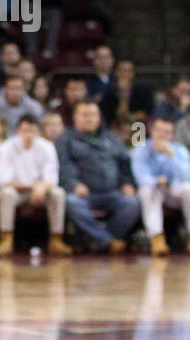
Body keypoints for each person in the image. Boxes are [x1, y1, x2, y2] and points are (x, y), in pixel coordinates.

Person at [56, 100, 139, 254]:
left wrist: (127, 184)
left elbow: (124, 165)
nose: (90, 119)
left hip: (112, 192)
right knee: (72, 203)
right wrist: (74, 184)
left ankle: (101, 239)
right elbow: (63, 166)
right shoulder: (65, 139)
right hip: (84, 193)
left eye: (94, 115)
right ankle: (107, 241)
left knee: (133, 203)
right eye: (85, 115)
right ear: (75, 117)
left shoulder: (112, 138)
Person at [0, 114, 70, 256]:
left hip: (40, 192)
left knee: (58, 193)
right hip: (18, 192)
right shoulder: (7, 147)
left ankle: (56, 238)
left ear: (38, 131)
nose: (29, 135)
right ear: (18, 131)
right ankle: (6, 238)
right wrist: (33, 187)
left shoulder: (47, 147)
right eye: (25, 130)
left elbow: (52, 178)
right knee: (6, 193)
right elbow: (4, 180)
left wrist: (41, 187)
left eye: (32, 131)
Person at [131, 117, 190, 256]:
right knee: (148, 190)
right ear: (152, 131)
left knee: (189, 189)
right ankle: (156, 238)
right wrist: (156, 181)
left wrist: (171, 155)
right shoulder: (141, 147)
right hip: (153, 189)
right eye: (159, 131)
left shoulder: (179, 149)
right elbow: (140, 175)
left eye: (167, 132)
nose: (162, 135)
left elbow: (187, 176)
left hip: (173, 190)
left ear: (172, 135)